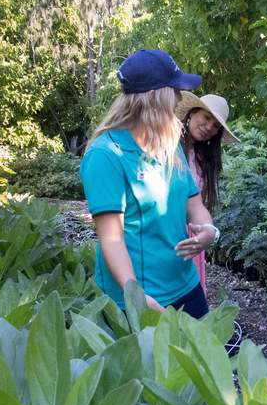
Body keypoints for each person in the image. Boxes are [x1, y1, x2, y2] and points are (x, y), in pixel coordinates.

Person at [80, 49, 219, 318]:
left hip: (187, 286)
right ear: (157, 98)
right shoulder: (106, 155)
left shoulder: (169, 145)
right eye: (176, 91)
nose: (180, 98)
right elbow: (111, 239)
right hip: (137, 297)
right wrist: (137, 297)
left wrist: (209, 231)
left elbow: (195, 204)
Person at [176, 92, 238, 292]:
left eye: (216, 126)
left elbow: (199, 204)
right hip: (168, 229)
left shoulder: (204, 159)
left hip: (192, 233)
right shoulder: (169, 146)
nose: (209, 127)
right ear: (192, 113)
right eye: (207, 118)